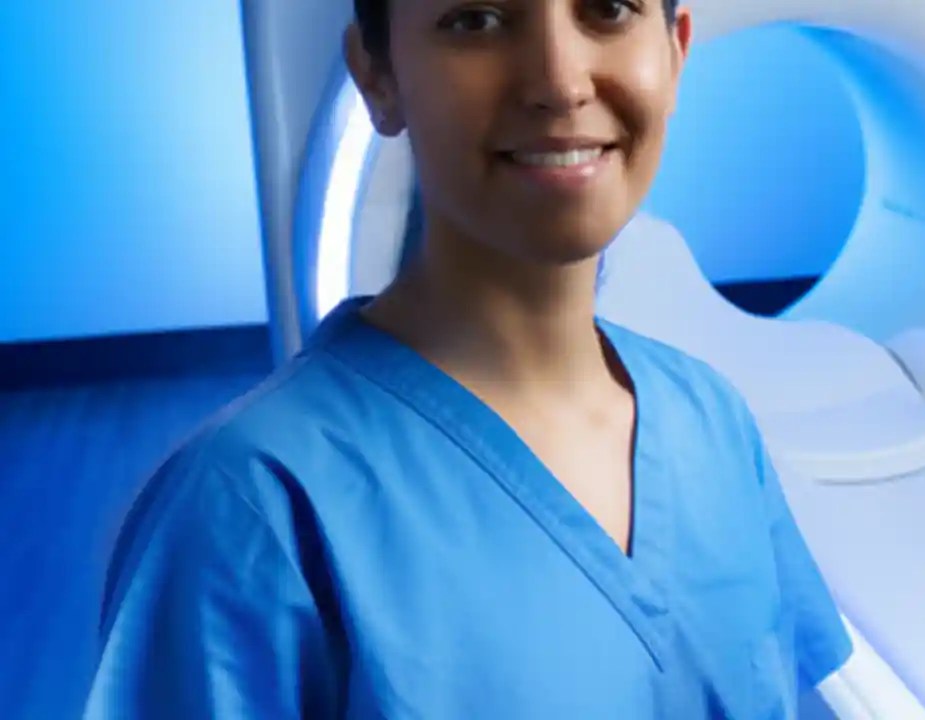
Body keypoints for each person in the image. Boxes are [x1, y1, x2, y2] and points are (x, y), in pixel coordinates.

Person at [83, 0, 853, 716]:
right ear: (378, 77)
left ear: (675, 50)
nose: (560, 81)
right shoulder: (251, 506)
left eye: (609, 8)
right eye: (477, 18)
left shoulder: (711, 420)